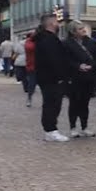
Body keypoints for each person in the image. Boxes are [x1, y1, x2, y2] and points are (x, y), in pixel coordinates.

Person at [33, 14, 70, 142]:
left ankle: (50, 129)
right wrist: (60, 76)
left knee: (52, 103)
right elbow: (54, 60)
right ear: (51, 24)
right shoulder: (49, 40)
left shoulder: (46, 38)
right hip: (51, 78)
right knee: (52, 104)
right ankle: (50, 130)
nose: (58, 24)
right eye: (56, 22)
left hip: (47, 77)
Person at [62, 22, 96, 138]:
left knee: (85, 103)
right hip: (74, 77)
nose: (83, 31)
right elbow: (65, 60)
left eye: (83, 28)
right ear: (73, 32)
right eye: (80, 29)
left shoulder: (91, 42)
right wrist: (78, 66)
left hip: (88, 77)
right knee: (74, 102)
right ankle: (73, 127)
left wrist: (92, 66)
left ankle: (85, 127)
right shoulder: (66, 44)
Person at [21, 32, 38, 105]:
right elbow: (30, 48)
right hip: (32, 67)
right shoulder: (29, 42)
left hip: (42, 67)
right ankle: (29, 98)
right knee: (32, 84)